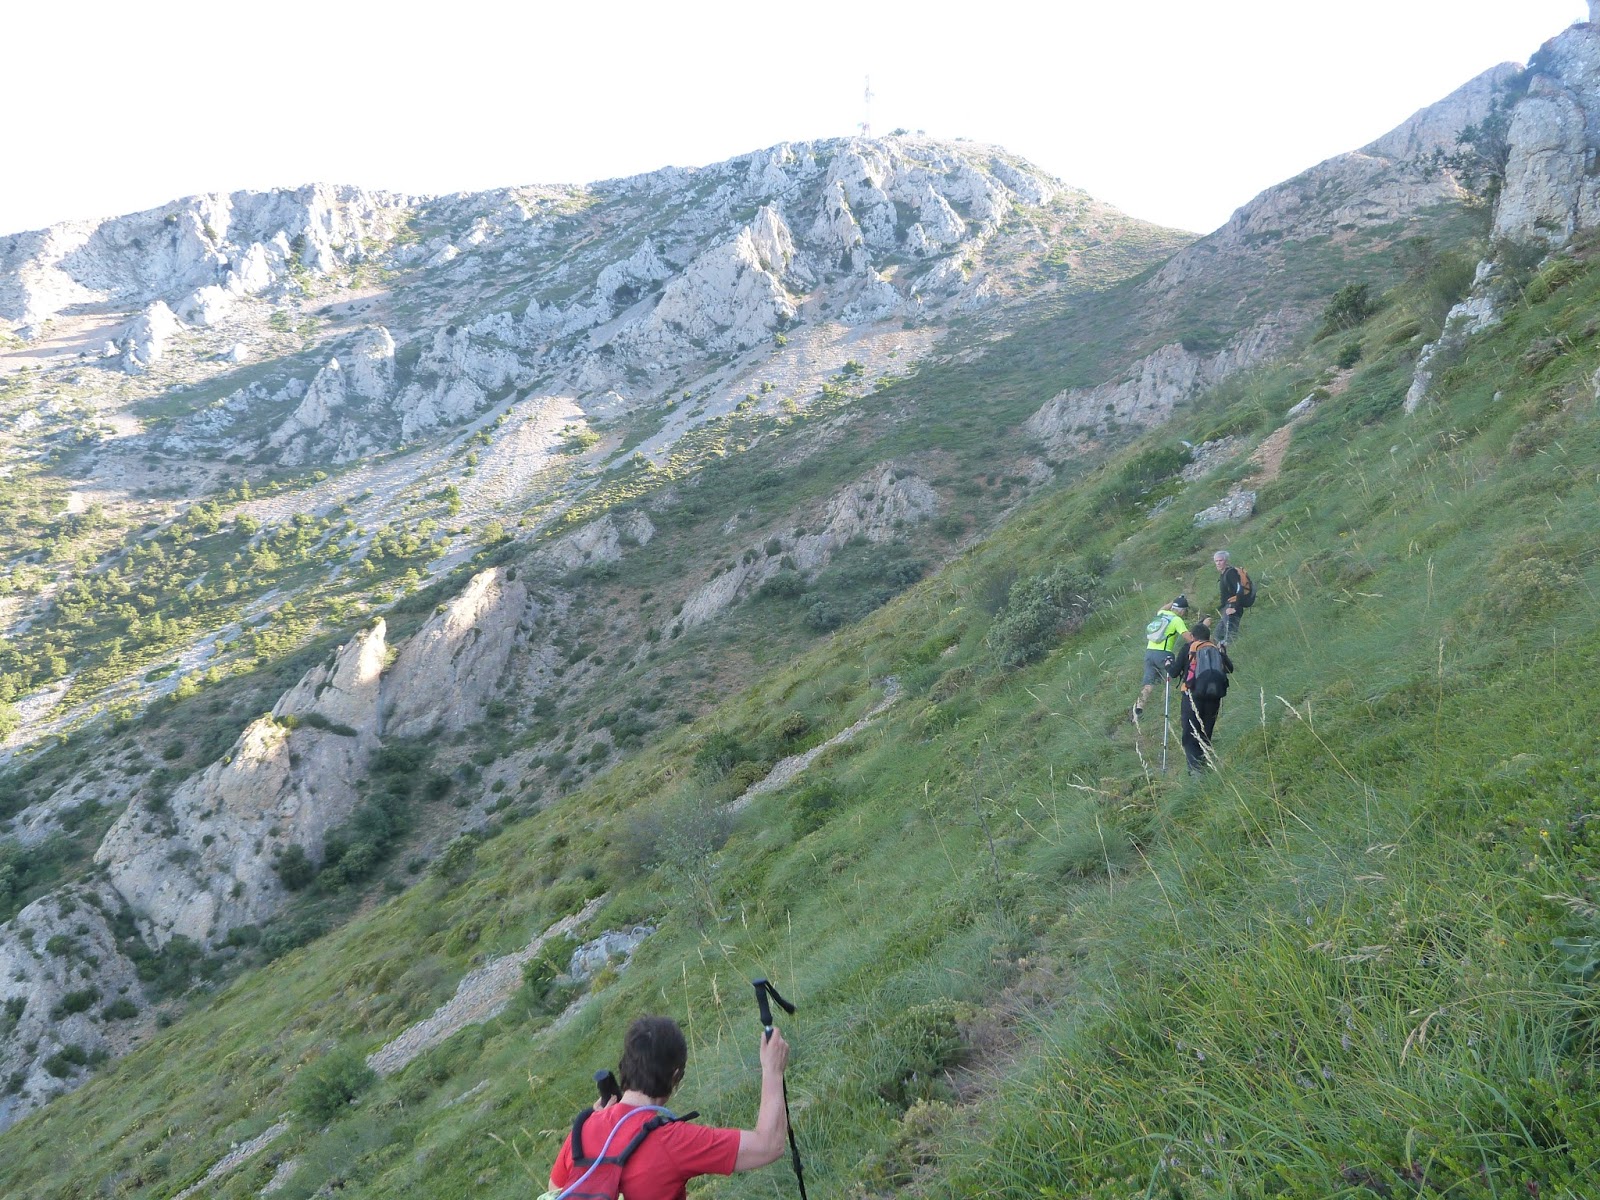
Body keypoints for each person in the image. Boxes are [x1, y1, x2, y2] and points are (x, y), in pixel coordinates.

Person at [545, 1015, 791, 1200]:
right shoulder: (673, 1141)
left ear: (625, 1066)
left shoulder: (582, 1129)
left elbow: (555, 1190)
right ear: (675, 1076)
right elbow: (768, 1145)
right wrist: (772, 1070)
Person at [1173, 621, 1234, 774]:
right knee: (1205, 733)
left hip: (1192, 695)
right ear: (1208, 636)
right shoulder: (1215, 648)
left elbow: (1173, 672)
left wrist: (1168, 663)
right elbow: (1230, 669)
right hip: (1214, 696)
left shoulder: (1189, 648)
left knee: (1190, 733)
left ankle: (1195, 772)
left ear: (1192, 636)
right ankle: (1204, 767)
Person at [1134, 594, 1191, 721]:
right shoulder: (1177, 620)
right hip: (1164, 654)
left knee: (1148, 684)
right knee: (1169, 681)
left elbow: (1163, 607)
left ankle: (1139, 708)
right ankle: (1164, 708)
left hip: (1149, 653)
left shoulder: (1161, 614)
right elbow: (1188, 638)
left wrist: (1174, 600)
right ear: (1182, 611)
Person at [1213, 550, 1245, 647]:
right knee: (1217, 635)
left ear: (1226, 561)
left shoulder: (1231, 573)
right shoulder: (1223, 574)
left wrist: (1234, 607)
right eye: (1216, 561)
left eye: (1220, 560)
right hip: (1226, 608)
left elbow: (1239, 590)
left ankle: (1235, 653)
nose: (1218, 563)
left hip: (1232, 607)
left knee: (1230, 637)